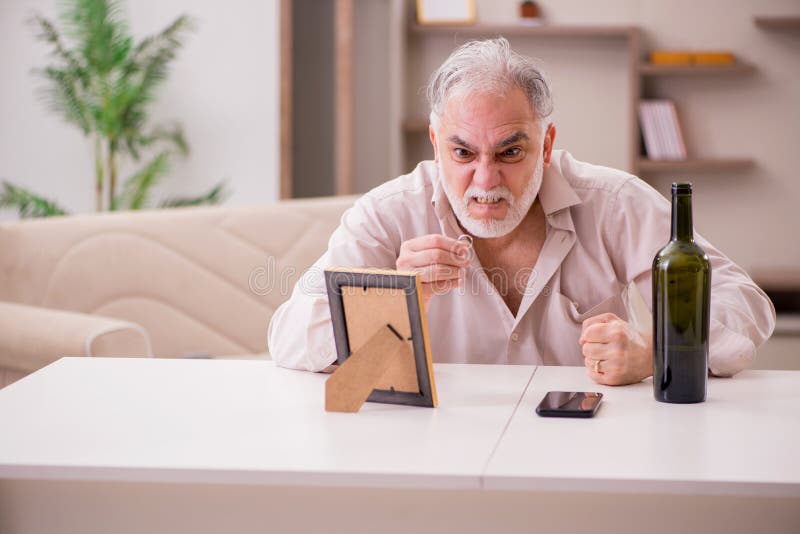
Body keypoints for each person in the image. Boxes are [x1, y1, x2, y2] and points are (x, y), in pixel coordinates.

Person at [268, 38, 775, 385]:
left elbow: (745, 303)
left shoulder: (613, 202)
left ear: (547, 143)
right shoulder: (386, 213)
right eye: (463, 153)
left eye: (511, 152)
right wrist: (387, 305)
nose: (485, 181)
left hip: (587, 456)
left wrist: (657, 353)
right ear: (435, 141)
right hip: (436, 457)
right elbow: (289, 338)